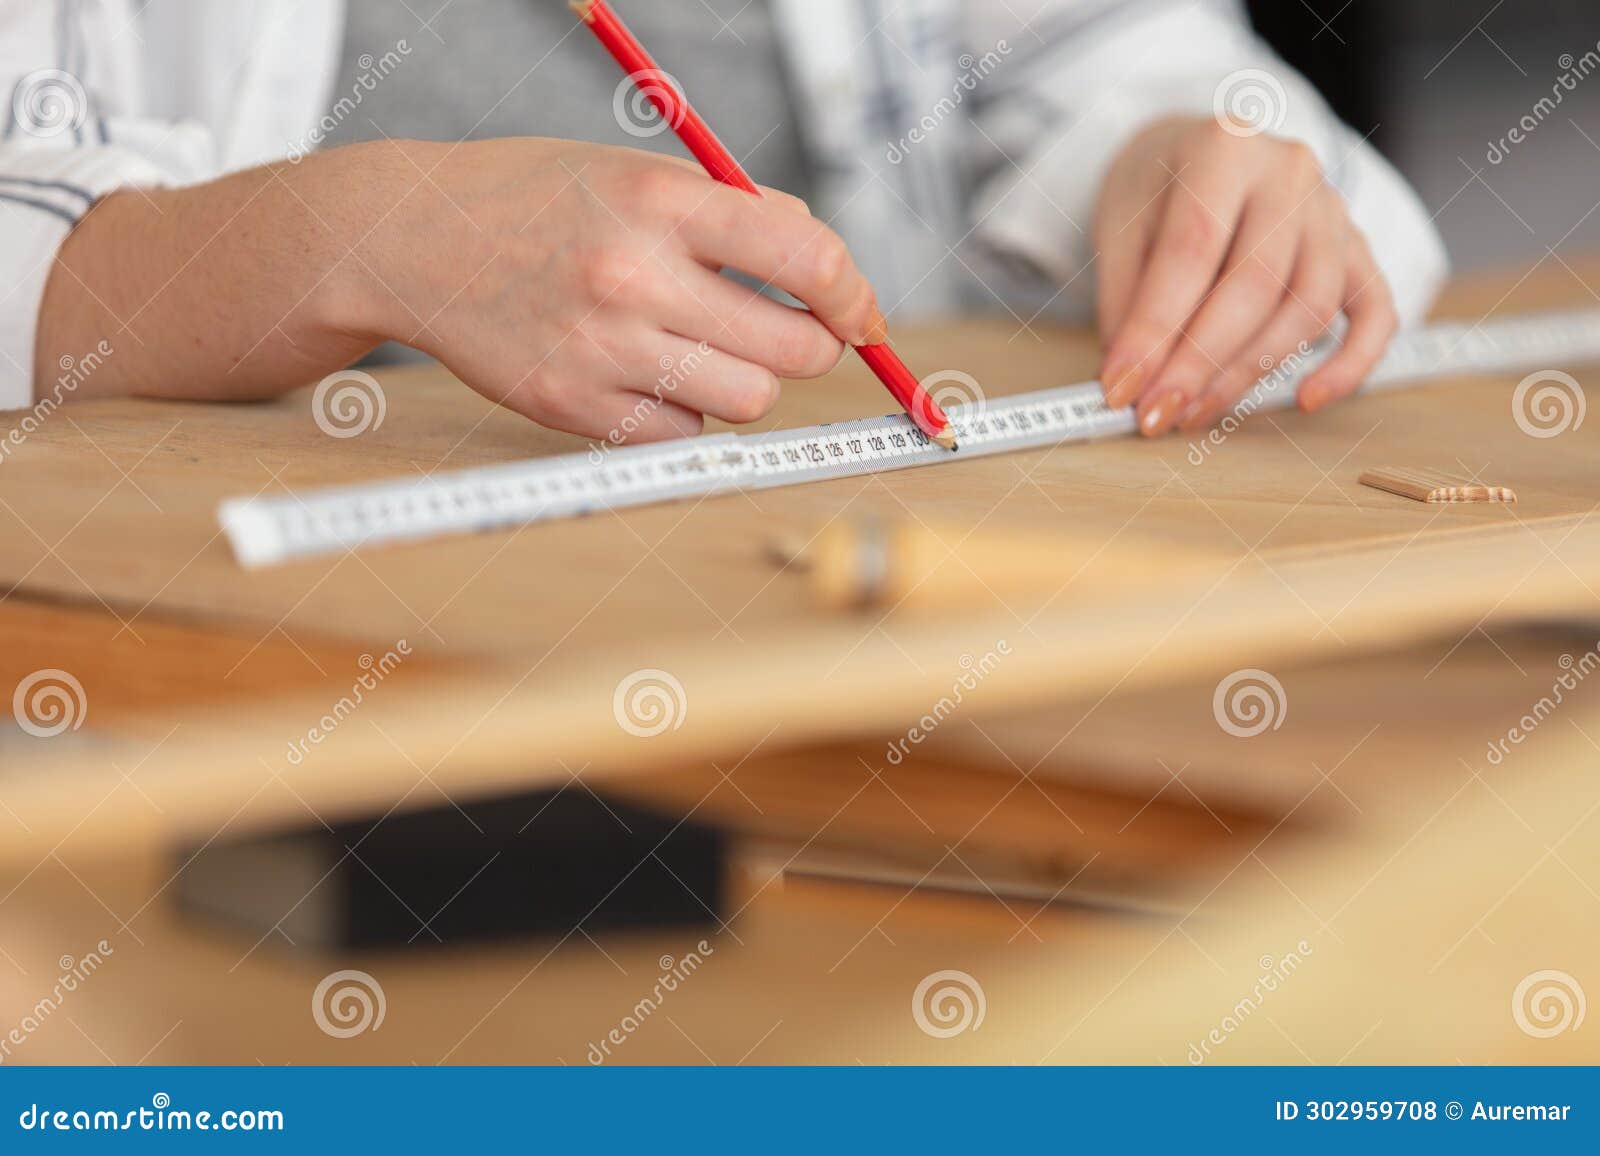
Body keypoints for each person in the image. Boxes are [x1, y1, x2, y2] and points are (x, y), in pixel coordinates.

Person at [0, 0, 1446, 443]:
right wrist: (359, 232)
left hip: (832, 653)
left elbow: (1138, 59)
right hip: (215, 718)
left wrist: (1187, 155)